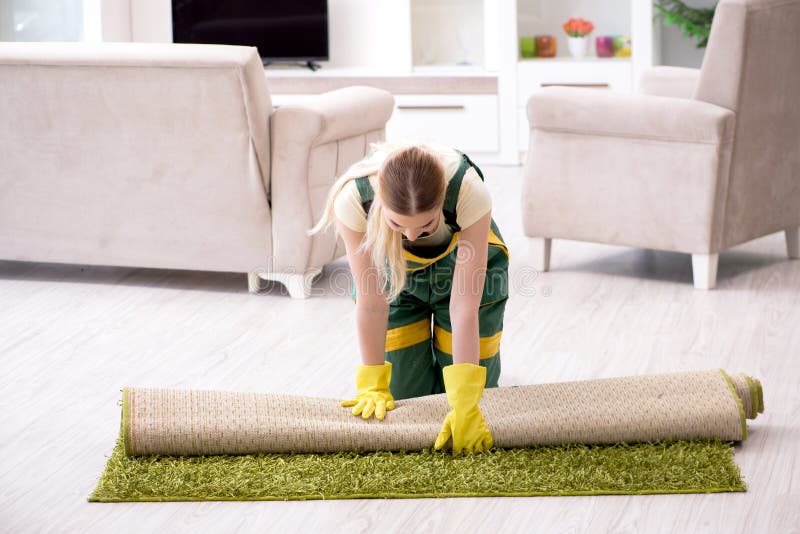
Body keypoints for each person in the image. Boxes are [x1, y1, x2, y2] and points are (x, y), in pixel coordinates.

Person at [308, 141, 509, 454]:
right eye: (396, 224)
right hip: (396, 276)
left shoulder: (469, 190)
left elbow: (463, 309)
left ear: (442, 196)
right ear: (381, 206)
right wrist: (373, 382)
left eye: (426, 225)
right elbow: (372, 303)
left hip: (461, 272)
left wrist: (466, 404)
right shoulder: (353, 200)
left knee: (469, 396)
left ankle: (458, 378)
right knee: (406, 400)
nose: (412, 236)